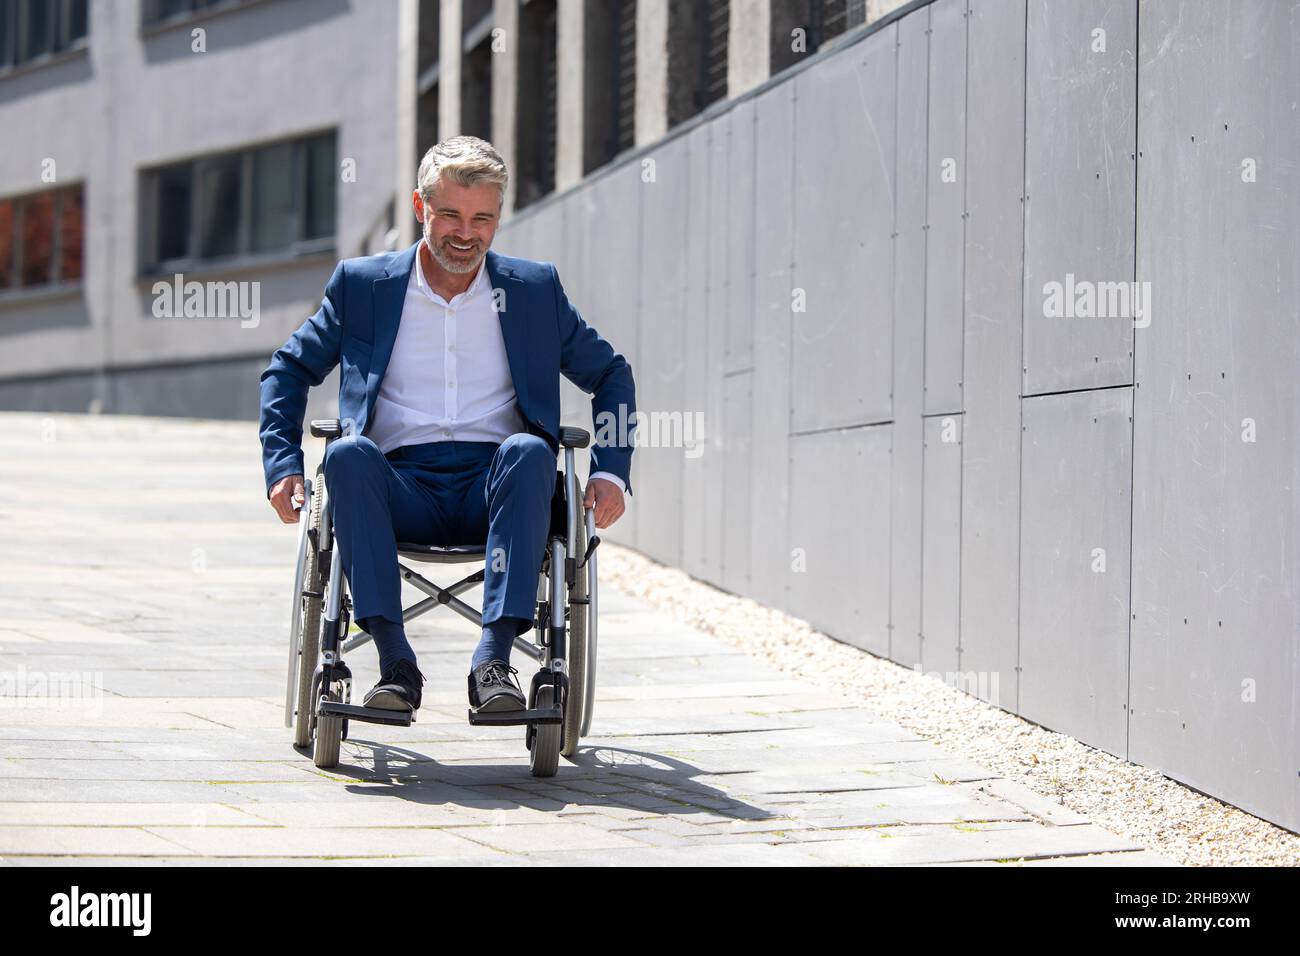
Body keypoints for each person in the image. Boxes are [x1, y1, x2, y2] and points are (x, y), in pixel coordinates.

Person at [258, 135, 635, 715]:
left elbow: (610, 374)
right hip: (399, 487)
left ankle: (493, 661)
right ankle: (395, 663)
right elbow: (288, 369)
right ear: (420, 207)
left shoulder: (533, 291)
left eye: (482, 217)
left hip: (502, 488)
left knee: (532, 451)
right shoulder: (364, 287)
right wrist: (283, 465)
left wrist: (611, 471)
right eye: (451, 215)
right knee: (346, 455)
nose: (467, 233)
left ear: (498, 217)